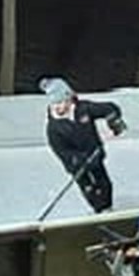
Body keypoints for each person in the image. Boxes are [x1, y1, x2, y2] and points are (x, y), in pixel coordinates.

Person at [40, 76, 126, 213]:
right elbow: (62, 151)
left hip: (94, 155)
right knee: (88, 187)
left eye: (62, 102)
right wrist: (77, 159)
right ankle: (98, 208)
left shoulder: (83, 109)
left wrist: (114, 120)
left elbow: (109, 108)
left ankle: (107, 208)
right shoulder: (53, 128)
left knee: (104, 184)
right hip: (77, 164)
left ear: (69, 98)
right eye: (55, 103)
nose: (59, 106)